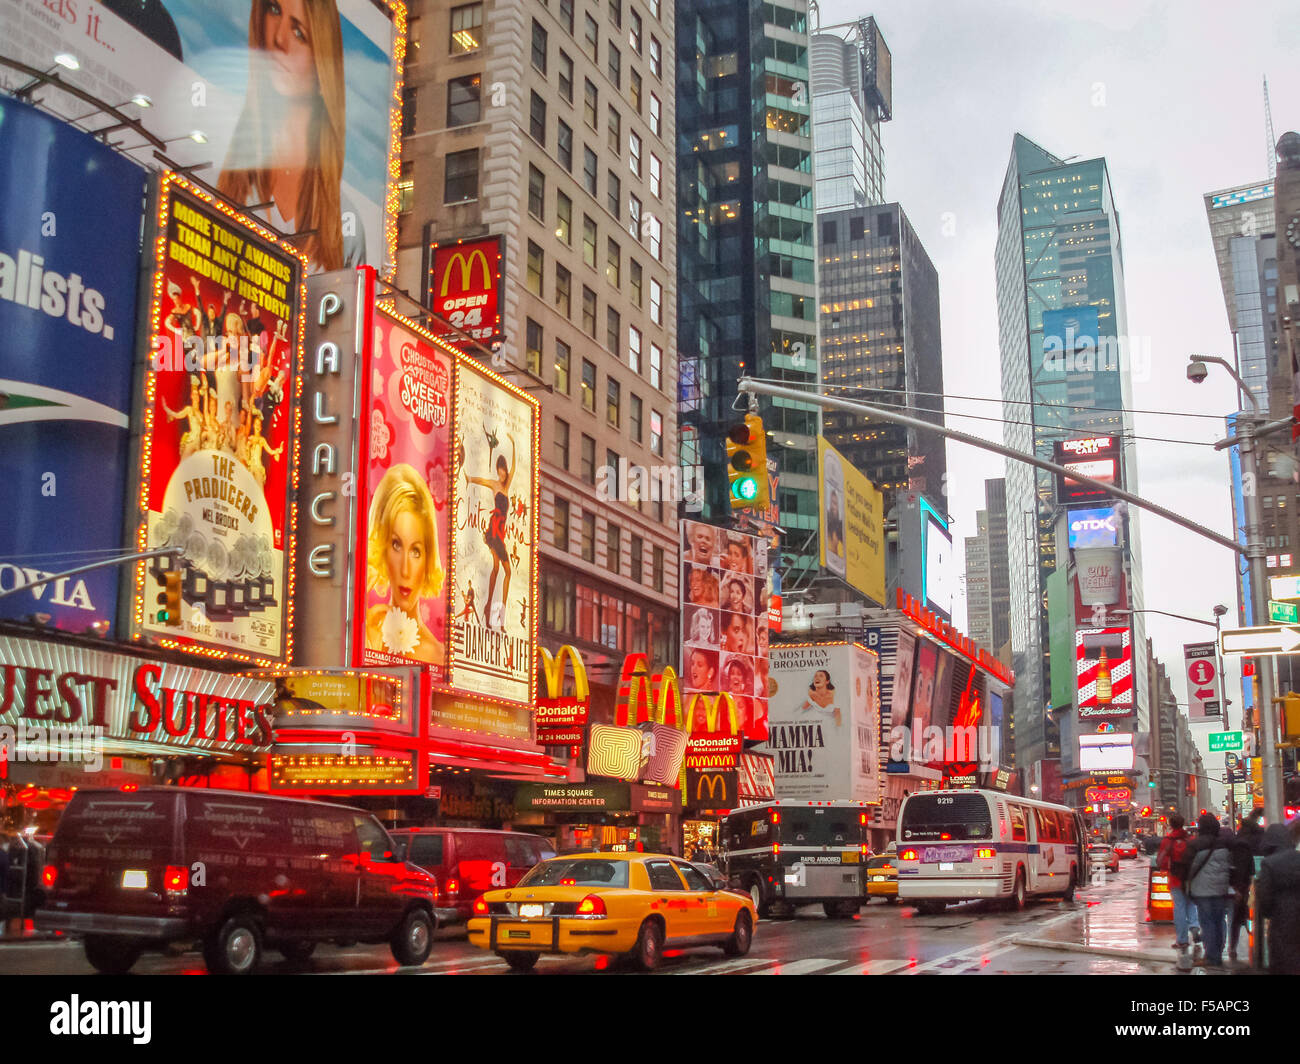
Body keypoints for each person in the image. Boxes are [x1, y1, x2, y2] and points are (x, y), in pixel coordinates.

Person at [217, 0, 364, 273]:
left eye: (300, 33)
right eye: (273, 10)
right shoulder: (219, 171)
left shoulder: (345, 221)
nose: (279, 38)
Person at [365, 464, 446, 662]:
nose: (405, 569)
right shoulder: (368, 627)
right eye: (396, 545)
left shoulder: (437, 655)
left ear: (428, 556)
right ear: (382, 546)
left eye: (416, 551)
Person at [464, 434, 516, 629]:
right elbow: (481, 480)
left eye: (503, 469)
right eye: (500, 469)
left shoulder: (506, 486)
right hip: (494, 530)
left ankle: (489, 611)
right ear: (497, 470)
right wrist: (470, 478)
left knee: (497, 569)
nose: (502, 473)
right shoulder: (495, 485)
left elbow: (515, 467)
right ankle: (497, 616)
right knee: (507, 571)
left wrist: (513, 444)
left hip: (499, 532)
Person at [1184, 813, 1236, 968]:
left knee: (1207, 923)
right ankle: (1217, 954)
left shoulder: (1195, 845)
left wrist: (1186, 883)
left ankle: (1211, 957)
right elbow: (1231, 865)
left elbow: (1187, 866)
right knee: (1219, 921)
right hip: (1221, 888)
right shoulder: (1225, 844)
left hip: (1202, 889)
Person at [1255, 820, 1300, 974]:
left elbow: (1265, 897)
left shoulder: (1269, 863)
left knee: (1282, 958)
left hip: (1282, 917)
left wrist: (1268, 913)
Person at [1157, 813, 1199, 970]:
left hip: (1175, 879)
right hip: (1191, 878)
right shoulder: (1191, 840)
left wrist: (1164, 867)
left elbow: (1161, 860)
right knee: (1191, 904)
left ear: (1170, 824)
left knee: (1179, 907)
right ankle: (1194, 926)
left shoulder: (1168, 841)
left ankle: (1182, 939)